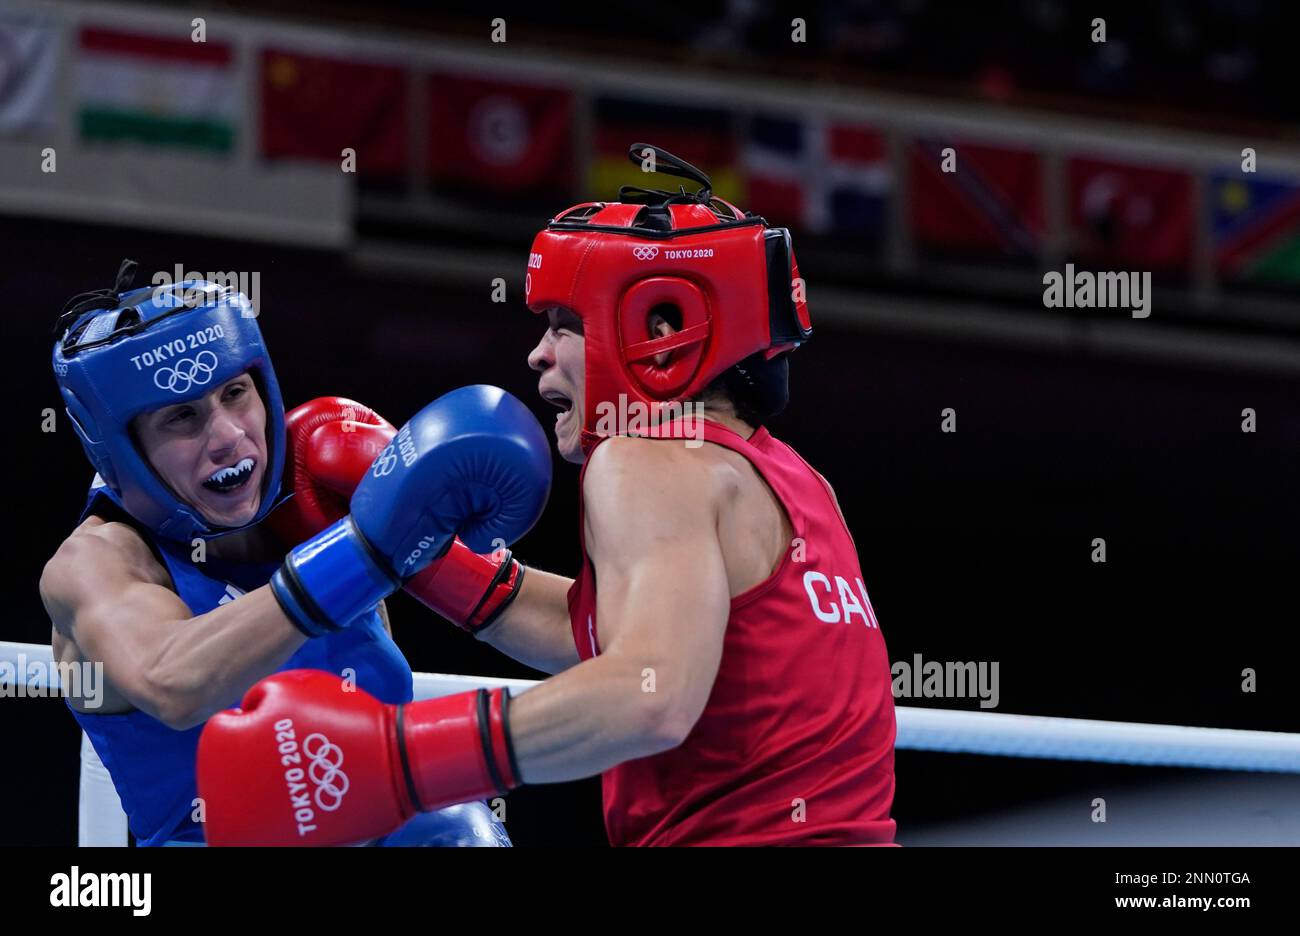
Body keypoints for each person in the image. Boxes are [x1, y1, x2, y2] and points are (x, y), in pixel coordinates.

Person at [198, 144, 896, 846]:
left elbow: (649, 695)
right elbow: (609, 640)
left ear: (662, 331)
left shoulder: (644, 459)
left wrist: (397, 760)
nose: (538, 353)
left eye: (564, 324)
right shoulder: (797, 482)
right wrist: (410, 547)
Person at [41, 261, 541, 846]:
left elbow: (531, 620)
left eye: (235, 394)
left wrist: (442, 543)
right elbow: (172, 681)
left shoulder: (317, 503)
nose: (229, 435)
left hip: (392, 829)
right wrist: (364, 550)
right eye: (182, 416)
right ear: (118, 449)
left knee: (456, 826)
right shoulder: (97, 564)